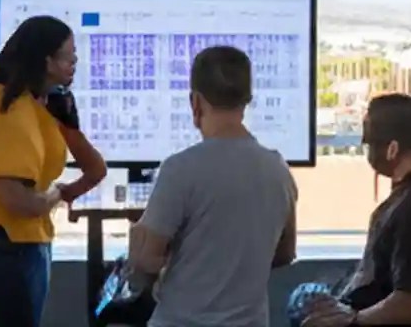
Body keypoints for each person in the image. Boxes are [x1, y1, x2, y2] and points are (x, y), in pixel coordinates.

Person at [126, 44, 298, 327]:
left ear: (195, 102)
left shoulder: (180, 169)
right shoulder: (277, 169)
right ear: (247, 100)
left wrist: (138, 243)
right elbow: (285, 253)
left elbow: (146, 260)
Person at [0, 15, 106, 327]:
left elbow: (95, 169)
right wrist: (56, 194)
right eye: (68, 56)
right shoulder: (1, 103)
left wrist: (69, 124)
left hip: (28, 240)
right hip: (4, 242)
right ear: (46, 60)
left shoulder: (34, 103)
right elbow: (18, 201)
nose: (74, 63)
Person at [299, 93, 411, 327]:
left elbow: (410, 302)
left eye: (369, 144)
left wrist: (352, 320)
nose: (368, 152)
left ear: (392, 149)